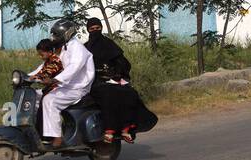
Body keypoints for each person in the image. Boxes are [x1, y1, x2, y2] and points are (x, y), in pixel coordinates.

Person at [83, 17, 157, 143]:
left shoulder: (109, 44)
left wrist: (116, 73)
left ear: (101, 28)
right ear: (88, 30)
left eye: (98, 28)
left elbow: (123, 63)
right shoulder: (84, 49)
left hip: (112, 80)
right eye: (92, 29)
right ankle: (109, 130)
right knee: (107, 94)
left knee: (130, 93)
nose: (95, 31)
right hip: (94, 82)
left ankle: (126, 129)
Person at [28, 18, 95, 148]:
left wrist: (54, 79)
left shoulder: (77, 48)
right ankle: (38, 131)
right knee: (33, 96)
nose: (53, 37)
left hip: (77, 88)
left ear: (66, 33)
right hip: (64, 86)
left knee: (50, 100)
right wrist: (27, 77)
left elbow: (74, 68)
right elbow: (45, 65)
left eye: (55, 34)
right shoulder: (63, 48)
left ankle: (56, 137)